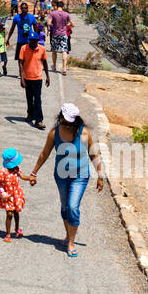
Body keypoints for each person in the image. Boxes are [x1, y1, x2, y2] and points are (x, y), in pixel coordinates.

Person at [30, 103, 104, 257]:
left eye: (72, 120)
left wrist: (100, 176)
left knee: (72, 207)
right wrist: (34, 172)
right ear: (62, 117)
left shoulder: (83, 133)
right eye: (67, 120)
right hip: (61, 176)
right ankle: (68, 235)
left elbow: (93, 154)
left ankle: (71, 242)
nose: (69, 123)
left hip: (80, 175)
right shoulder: (53, 133)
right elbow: (44, 154)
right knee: (65, 207)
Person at [0, 148, 32, 242]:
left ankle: (17, 229)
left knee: (16, 212)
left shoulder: (16, 169)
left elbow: (22, 176)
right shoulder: (3, 171)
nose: (15, 166)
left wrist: (29, 178)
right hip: (7, 196)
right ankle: (8, 233)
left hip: (16, 194)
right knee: (9, 214)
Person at [18, 30, 51, 127]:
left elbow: (45, 62)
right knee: (29, 98)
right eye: (31, 40)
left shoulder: (42, 49)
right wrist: (21, 78)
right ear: (29, 40)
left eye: (34, 41)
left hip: (38, 78)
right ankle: (30, 114)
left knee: (37, 100)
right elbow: (20, 63)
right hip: (27, 78)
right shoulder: (24, 48)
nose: (32, 42)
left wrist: (48, 76)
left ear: (37, 40)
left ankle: (39, 120)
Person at [5, 2, 37, 66]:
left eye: (25, 8)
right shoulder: (16, 17)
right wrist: (8, 39)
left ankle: (27, 72)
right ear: (20, 9)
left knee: (29, 58)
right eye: (22, 8)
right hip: (20, 41)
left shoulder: (32, 17)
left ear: (27, 9)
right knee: (20, 58)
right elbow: (12, 29)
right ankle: (21, 74)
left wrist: (36, 40)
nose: (24, 9)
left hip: (29, 41)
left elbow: (35, 29)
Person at [48, 1, 73, 76]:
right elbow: (73, 24)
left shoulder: (52, 13)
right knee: (64, 50)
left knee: (54, 50)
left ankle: (54, 66)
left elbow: (49, 23)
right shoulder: (66, 14)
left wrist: (54, 24)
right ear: (63, 6)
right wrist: (67, 25)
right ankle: (64, 68)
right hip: (64, 34)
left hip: (55, 34)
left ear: (57, 6)